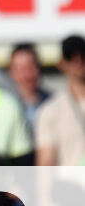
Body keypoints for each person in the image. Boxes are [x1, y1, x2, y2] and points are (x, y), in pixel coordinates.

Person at [36, 34, 85, 165]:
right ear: (62, 63)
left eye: (82, 55)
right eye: (70, 57)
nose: (78, 61)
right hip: (70, 184)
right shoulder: (51, 110)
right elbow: (46, 163)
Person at [8, 43, 50, 132]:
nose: (27, 75)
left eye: (30, 67)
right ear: (11, 72)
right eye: (21, 69)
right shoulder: (4, 107)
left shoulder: (53, 102)